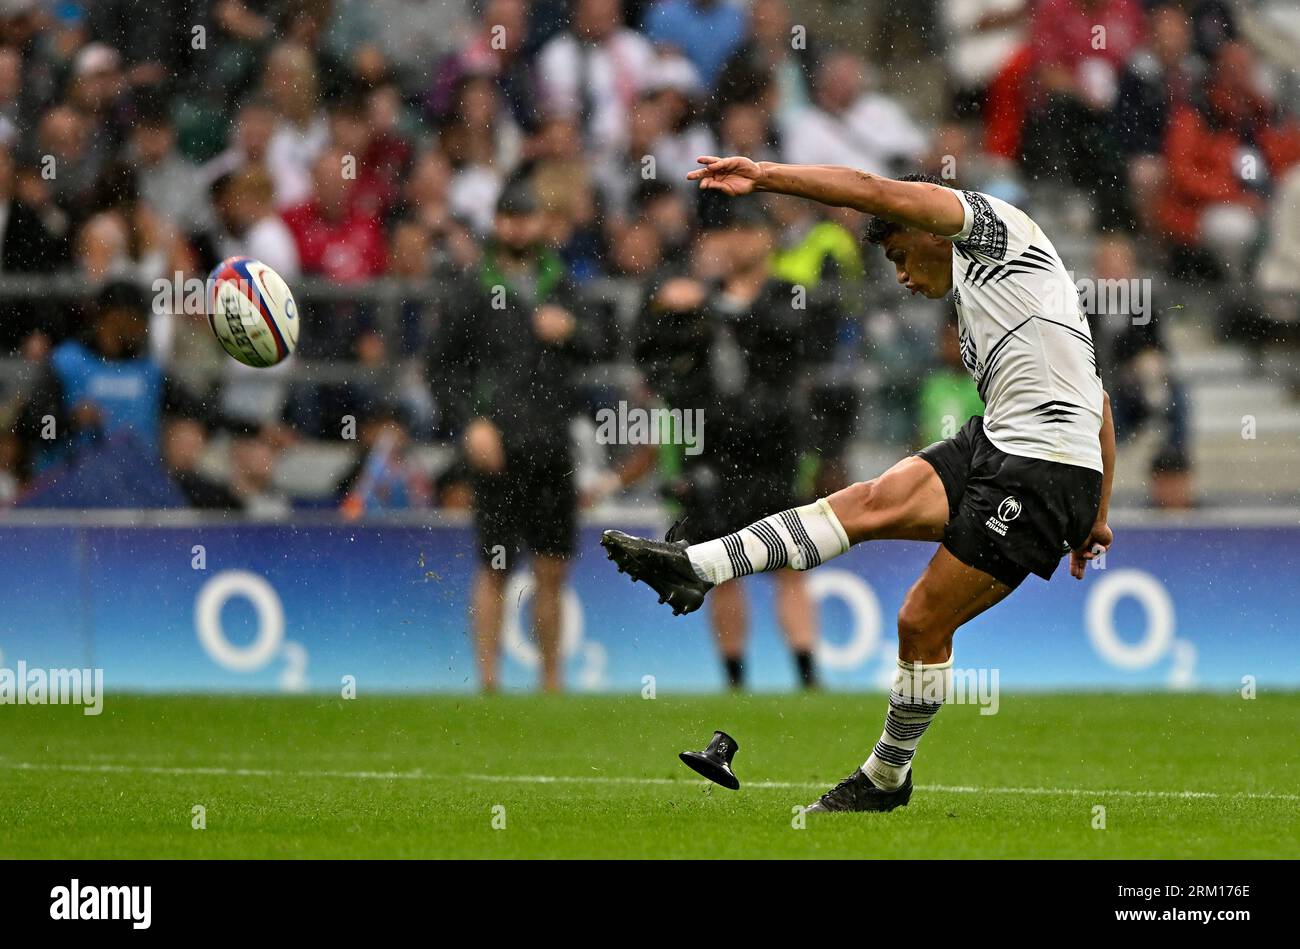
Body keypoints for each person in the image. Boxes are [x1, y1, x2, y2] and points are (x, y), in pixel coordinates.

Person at [603, 156, 1114, 813]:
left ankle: (885, 778)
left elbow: (871, 190)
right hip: (1004, 442)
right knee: (865, 502)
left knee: (920, 622)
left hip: (1043, 467)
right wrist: (1097, 515)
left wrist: (765, 176)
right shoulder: (1002, 294)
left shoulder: (993, 231)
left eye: (901, 255)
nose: (901, 276)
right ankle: (696, 566)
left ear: (929, 228)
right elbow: (1096, 399)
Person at [433, 177, 601, 693]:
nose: (516, 227)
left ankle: (551, 682)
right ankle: (489, 682)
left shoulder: (565, 286)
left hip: (551, 442)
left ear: (540, 225)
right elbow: (442, 367)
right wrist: (469, 424)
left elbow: (603, 344)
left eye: (524, 218)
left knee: (552, 570)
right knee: (494, 567)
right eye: (508, 218)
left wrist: (571, 331)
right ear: (497, 223)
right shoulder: (472, 287)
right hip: (496, 446)